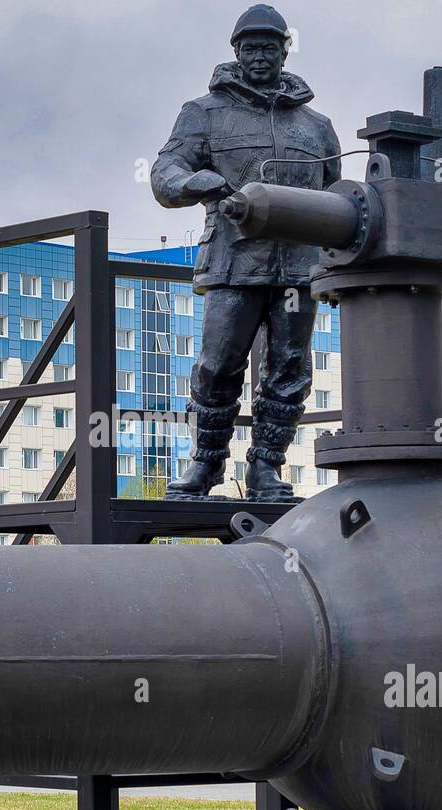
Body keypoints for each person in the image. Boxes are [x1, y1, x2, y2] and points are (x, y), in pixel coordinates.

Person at [152, 4, 340, 500]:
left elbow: (336, 195)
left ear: (284, 52)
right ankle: (206, 464)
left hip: (299, 267)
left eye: (269, 48)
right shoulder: (204, 112)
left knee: (290, 367)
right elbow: (165, 172)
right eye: (251, 48)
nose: (260, 57)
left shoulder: (317, 125)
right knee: (218, 364)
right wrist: (194, 181)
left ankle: (266, 469)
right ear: (236, 52)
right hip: (233, 261)